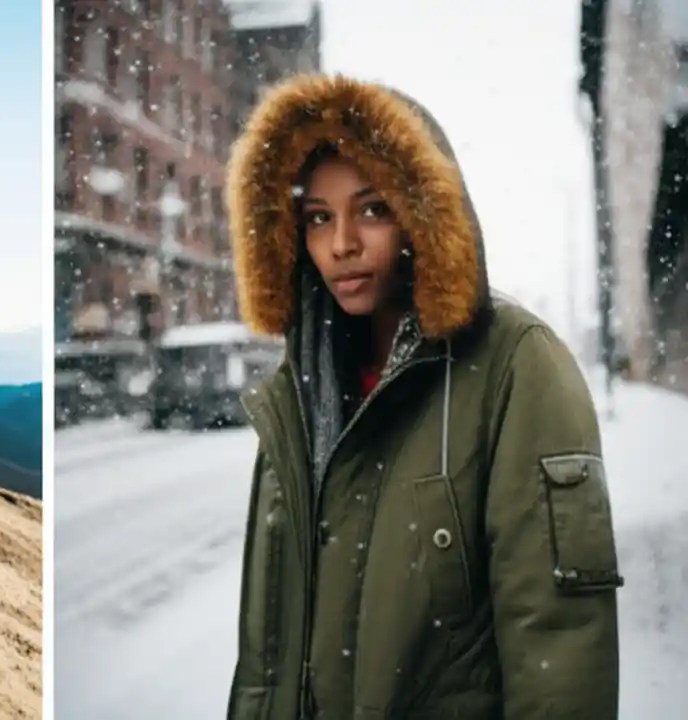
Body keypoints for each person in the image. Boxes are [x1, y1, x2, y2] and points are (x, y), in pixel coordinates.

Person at [224, 75, 622, 719]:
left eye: (372, 210)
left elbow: (559, 642)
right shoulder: (299, 396)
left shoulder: (517, 366)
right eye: (318, 218)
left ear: (420, 215)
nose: (342, 243)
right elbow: (266, 664)